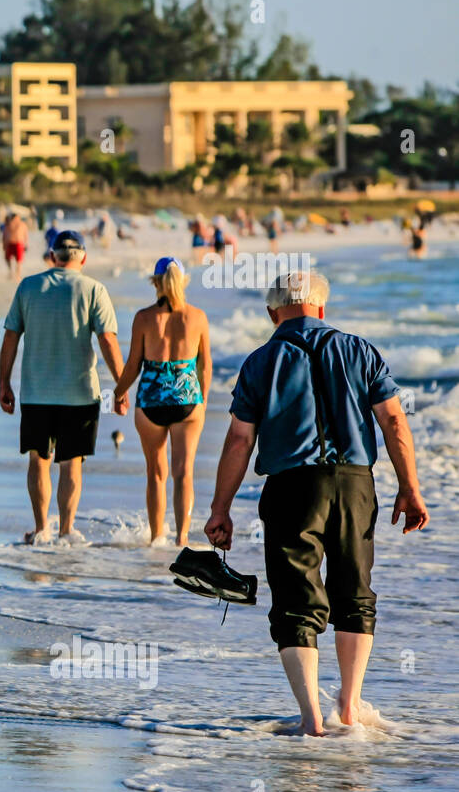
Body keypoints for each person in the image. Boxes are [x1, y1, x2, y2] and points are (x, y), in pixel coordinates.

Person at [204, 271, 428, 736]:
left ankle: (311, 720)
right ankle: (348, 707)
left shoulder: (261, 361)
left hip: (292, 489)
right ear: (322, 309)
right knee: (354, 593)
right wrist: (410, 487)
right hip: (354, 484)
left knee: (294, 601)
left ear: (272, 314)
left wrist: (220, 509)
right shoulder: (360, 350)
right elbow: (393, 422)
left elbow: (240, 441)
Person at [0, 230, 127, 544]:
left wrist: (4, 383)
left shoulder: (28, 286)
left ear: (53, 256)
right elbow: (107, 340)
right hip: (80, 393)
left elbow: (11, 336)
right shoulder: (94, 289)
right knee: (72, 462)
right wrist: (121, 387)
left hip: (36, 391)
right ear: (83, 258)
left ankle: (42, 529)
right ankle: (67, 531)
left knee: (38, 459)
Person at [112, 257, 211, 546]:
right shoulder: (198, 317)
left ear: (155, 283)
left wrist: (119, 393)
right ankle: (181, 539)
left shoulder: (143, 318)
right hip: (187, 400)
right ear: (183, 281)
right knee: (183, 472)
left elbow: (133, 366)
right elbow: (205, 366)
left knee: (156, 473)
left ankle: (157, 539)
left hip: (151, 400)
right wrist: (201, 399)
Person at [1, 212, 28, 280]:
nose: (16, 219)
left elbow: (25, 234)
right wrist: (4, 244)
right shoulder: (9, 224)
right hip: (10, 243)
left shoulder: (22, 224)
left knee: (19, 260)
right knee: (7, 259)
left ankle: (17, 275)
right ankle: (10, 271)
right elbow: (4, 234)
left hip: (19, 243)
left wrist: (26, 244)